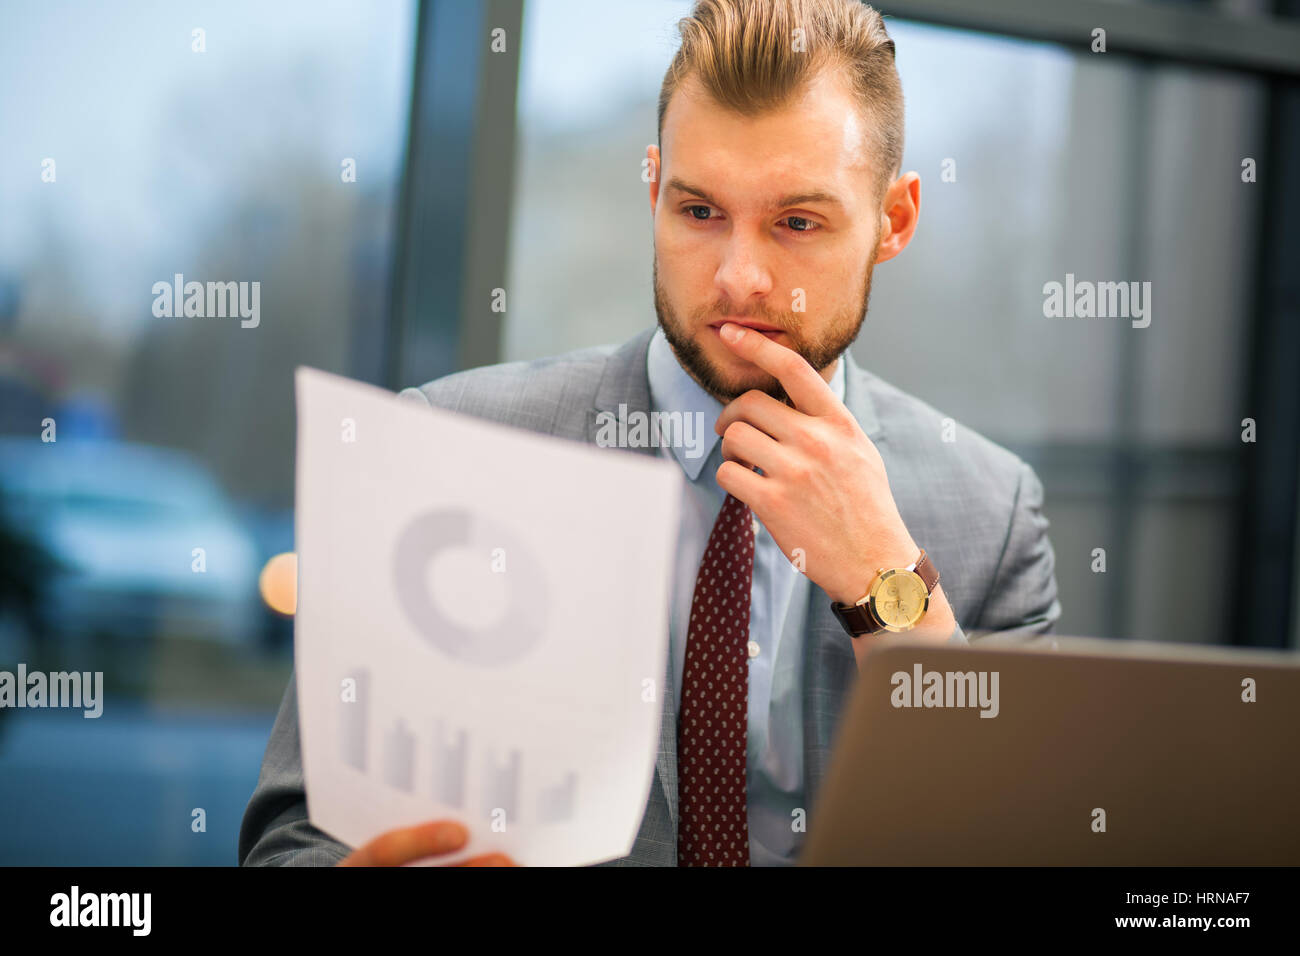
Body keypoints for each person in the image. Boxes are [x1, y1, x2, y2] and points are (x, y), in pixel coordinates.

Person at [239, 0, 1061, 868]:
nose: (740, 279)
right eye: (700, 212)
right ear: (654, 188)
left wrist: (888, 590)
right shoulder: (446, 444)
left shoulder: (990, 514)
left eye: (797, 222)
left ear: (894, 221)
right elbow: (294, 841)